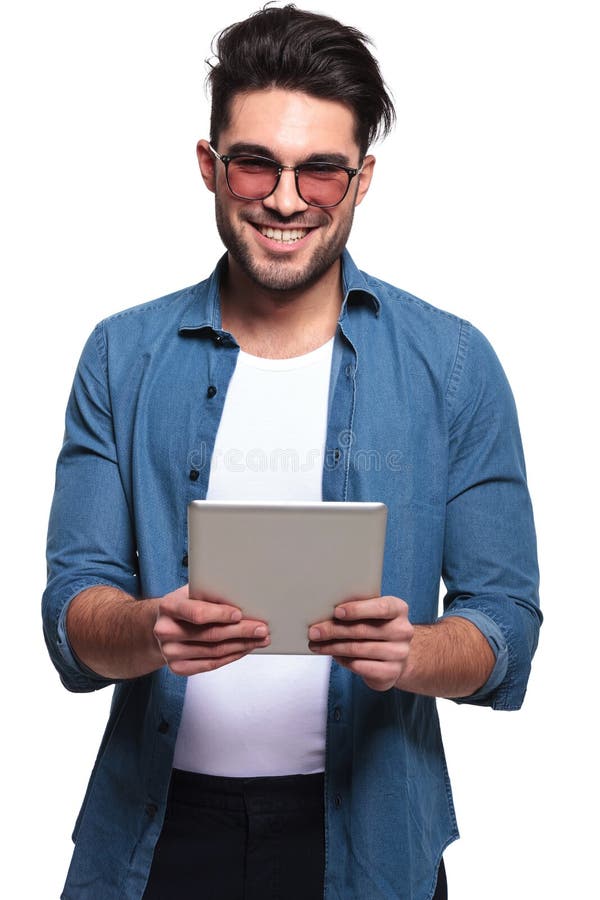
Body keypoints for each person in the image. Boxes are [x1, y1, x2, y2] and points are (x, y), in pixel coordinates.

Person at [42, 5, 541, 899]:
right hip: (153, 840)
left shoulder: (453, 365)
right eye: (255, 164)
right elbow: (73, 611)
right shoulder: (121, 356)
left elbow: (505, 623)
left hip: (371, 836)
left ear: (361, 181)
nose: (284, 198)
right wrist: (151, 628)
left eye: (321, 172)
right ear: (210, 166)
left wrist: (413, 654)